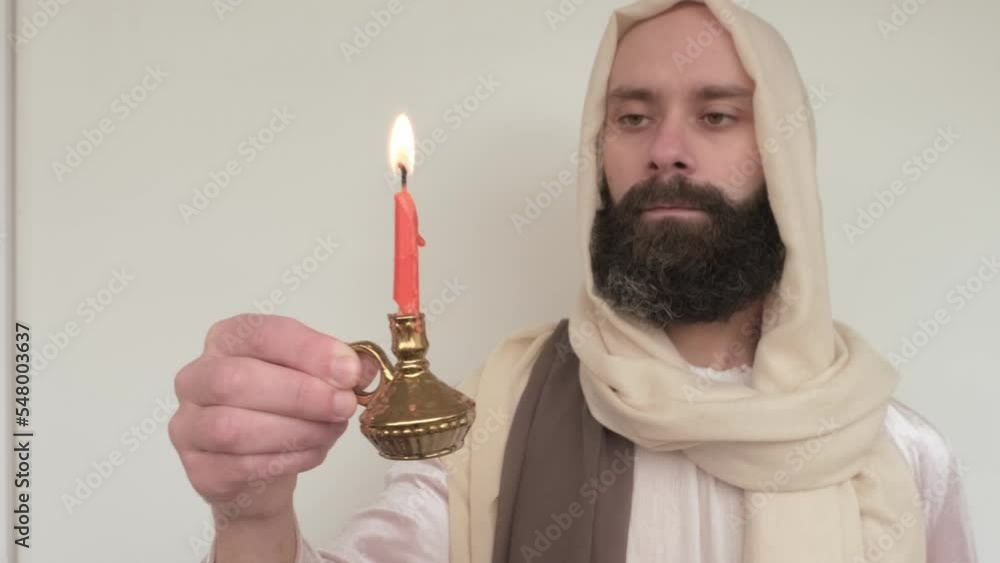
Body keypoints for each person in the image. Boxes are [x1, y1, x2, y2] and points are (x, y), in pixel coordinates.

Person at [169, 0, 981, 562]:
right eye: (632, 117)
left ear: (785, 158)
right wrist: (253, 513)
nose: (666, 147)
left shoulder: (899, 455)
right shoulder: (500, 414)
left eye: (716, 114)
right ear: (600, 156)